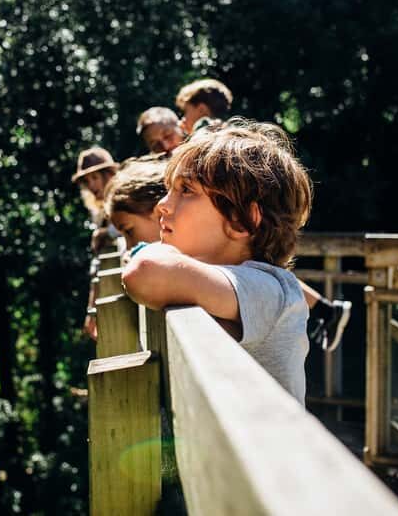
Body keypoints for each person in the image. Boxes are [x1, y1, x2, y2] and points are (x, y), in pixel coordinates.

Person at [121, 119, 312, 401]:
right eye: (168, 189)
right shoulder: (220, 281)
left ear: (241, 220)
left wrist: (144, 252)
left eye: (186, 190)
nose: (162, 205)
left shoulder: (271, 291)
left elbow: (146, 272)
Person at [173, 79, 350, 352]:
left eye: (186, 111)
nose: (183, 119)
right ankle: (326, 310)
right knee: (270, 272)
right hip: (254, 232)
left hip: (243, 240)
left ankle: (327, 310)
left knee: (264, 275)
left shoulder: (206, 136)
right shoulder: (233, 132)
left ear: (201, 107)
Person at [72, 147, 119, 340]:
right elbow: (97, 264)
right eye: (86, 181)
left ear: (109, 175)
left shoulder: (122, 197)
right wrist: (91, 307)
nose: (91, 185)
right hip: (110, 285)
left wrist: (106, 233)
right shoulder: (98, 210)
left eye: (95, 178)